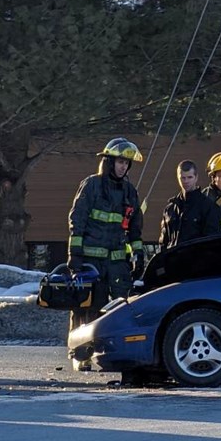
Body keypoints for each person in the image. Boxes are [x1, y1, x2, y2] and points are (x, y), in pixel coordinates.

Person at [67, 138, 144, 331]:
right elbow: (77, 220)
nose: (123, 167)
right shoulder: (92, 185)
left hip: (117, 265)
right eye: (120, 162)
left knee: (122, 308)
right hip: (91, 263)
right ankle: (81, 348)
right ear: (109, 162)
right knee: (86, 308)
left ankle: (112, 347)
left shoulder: (129, 191)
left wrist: (138, 255)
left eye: (126, 163)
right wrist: (74, 255)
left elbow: (135, 228)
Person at [158, 160, 221, 250]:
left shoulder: (208, 207)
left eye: (190, 177)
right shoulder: (170, 209)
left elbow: (213, 242)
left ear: (196, 178)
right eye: (183, 178)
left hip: (195, 257)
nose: (186, 181)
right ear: (178, 178)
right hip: (173, 257)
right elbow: (163, 242)